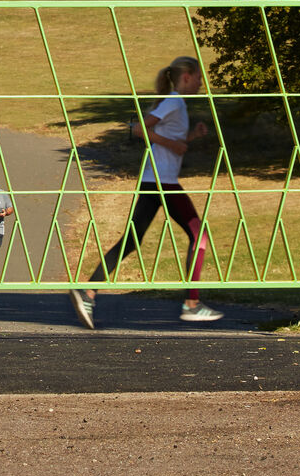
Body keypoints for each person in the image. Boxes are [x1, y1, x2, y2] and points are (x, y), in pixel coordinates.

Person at [74, 55, 221, 327]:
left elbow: (169, 143)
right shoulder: (174, 101)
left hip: (153, 180)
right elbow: (140, 129)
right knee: (199, 235)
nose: (201, 83)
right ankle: (192, 303)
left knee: (131, 240)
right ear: (186, 76)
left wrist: (189, 138)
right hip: (163, 181)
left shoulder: (177, 104)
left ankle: (88, 291)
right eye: (199, 77)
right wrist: (173, 144)